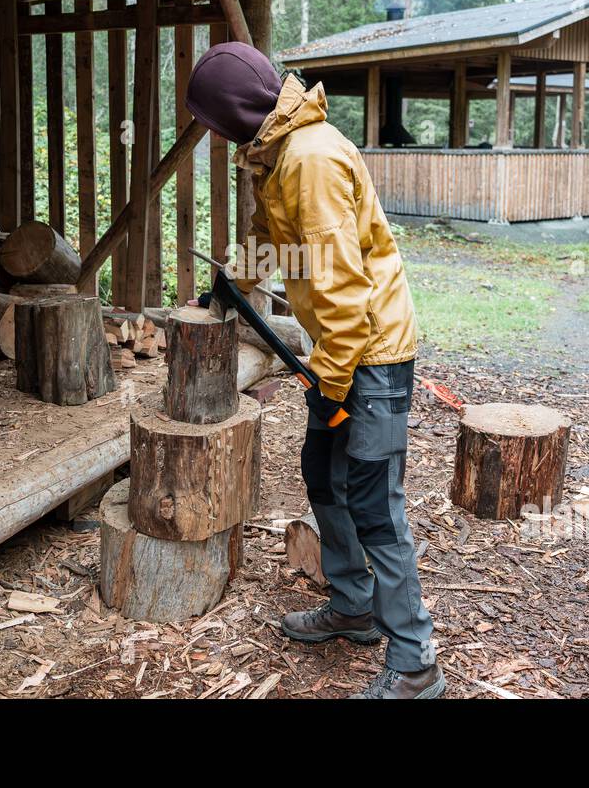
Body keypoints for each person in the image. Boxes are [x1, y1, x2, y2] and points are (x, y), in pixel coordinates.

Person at [185, 42, 442, 699]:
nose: (213, 134)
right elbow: (271, 237)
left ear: (236, 110)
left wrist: (330, 378)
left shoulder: (311, 158)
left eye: (212, 120)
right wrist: (231, 286)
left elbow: (340, 285)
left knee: (375, 502)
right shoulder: (276, 153)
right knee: (324, 476)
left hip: (371, 351)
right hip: (341, 349)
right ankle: (354, 606)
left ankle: (415, 661)